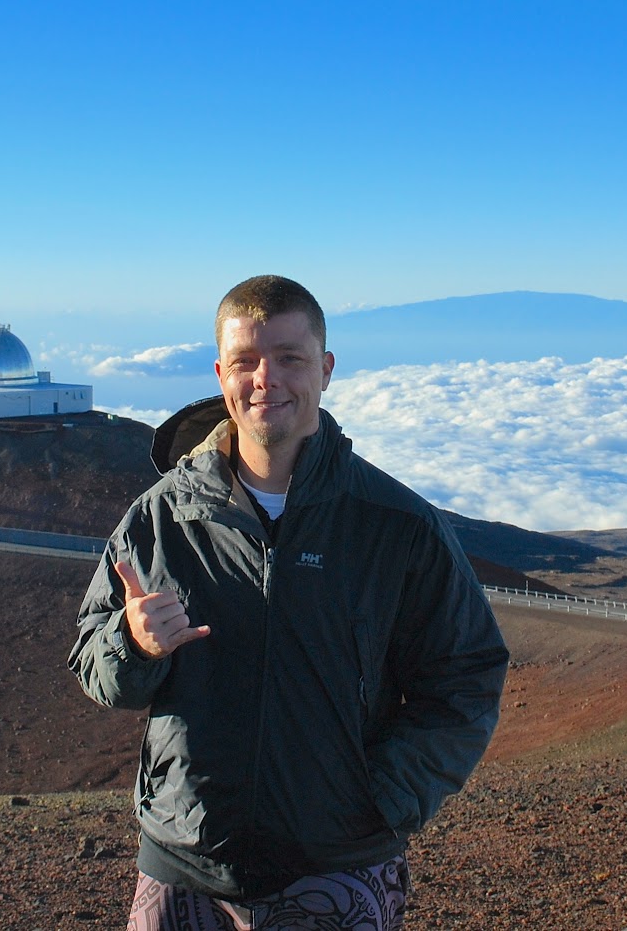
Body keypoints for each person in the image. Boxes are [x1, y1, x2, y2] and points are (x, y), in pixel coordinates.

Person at [69, 275, 508, 930]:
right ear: (221, 373)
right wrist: (130, 643)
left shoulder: (394, 526)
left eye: (290, 359)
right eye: (246, 361)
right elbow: (94, 666)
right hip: (183, 864)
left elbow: (467, 676)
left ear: (325, 369)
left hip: (337, 865)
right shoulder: (158, 520)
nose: (266, 379)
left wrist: (382, 799)